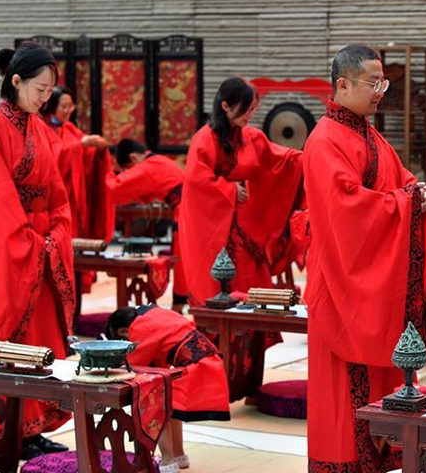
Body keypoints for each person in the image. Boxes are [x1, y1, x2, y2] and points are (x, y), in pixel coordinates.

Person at [303, 44, 426, 472]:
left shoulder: (369, 135)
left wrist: (420, 194)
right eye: (373, 83)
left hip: (370, 286)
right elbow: (347, 209)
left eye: (383, 82)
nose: (381, 91)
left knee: (380, 385)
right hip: (339, 284)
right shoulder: (325, 140)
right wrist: (405, 203)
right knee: (342, 399)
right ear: (342, 85)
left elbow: (399, 183)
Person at [0, 42, 75, 460]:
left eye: (49, 91)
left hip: (42, 247)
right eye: (41, 89)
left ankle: (30, 429)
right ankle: (5, 431)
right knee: (10, 341)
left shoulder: (38, 127)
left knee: (39, 342)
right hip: (13, 251)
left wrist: (57, 233)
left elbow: (56, 192)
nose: (46, 98)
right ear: (16, 81)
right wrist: (30, 241)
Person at [178, 77, 304, 400]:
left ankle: (250, 383)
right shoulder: (205, 139)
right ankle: (215, 385)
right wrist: (230, 189)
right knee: (221, 303)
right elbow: (196, 182)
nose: (251, 114)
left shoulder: (251, 137)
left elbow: (279, 159)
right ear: (225, 106)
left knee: (255, 301)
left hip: (244, 234)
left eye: (253, 108)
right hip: (213, 232)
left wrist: (309, 158)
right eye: (246, 108)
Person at [106, 305, 230, 473]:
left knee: (159, 404)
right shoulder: (156, 312)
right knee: (172, 406)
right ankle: (179, 456)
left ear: (122, 331)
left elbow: (135, 363)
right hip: (208, 362)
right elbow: (163, 352)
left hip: (195, 368)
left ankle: (167, 461)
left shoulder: (141, 326)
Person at [107, 139, 187, 310]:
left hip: (186, 213)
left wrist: (105, 168)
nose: (130, 173)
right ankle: (179, 309)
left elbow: (114, 189)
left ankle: (179, 310)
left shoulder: (148, 167)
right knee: (184, 266)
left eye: (128, 169)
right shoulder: (158, 162)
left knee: (183, 267)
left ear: (134, 158)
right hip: (187, 211)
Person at [40, 85, 113, 240]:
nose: (68, 110)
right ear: (53, 107)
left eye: (70, 106)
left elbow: (86, 156)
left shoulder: (70, 128)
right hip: (56, 198)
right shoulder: (42, 129)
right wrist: (80, 144)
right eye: (64, 106)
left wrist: (98, 149)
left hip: (75, 196)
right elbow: (51, 158)